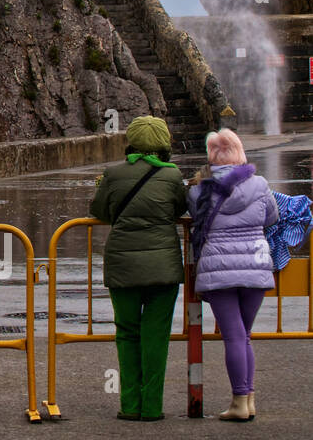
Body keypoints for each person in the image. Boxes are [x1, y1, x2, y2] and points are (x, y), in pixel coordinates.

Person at [90, 115, 187, 421]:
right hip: (163, 269)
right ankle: (152, 407)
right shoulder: (172, 175)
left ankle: (129, 405)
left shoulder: (114, 173)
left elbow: (100, 210)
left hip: (123, 266)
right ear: (163, 143)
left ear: (130, 141)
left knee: (128, 333)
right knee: (156, 337)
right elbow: (180, 208)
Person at [186, 128, 277, 422]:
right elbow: (271, 217)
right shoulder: (261, 185)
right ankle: (248, 400)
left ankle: (239, 402)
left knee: (234, 337)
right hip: (255, 264)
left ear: (211, 157)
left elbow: (194, 216)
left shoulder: (199, 191)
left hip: (219, 270)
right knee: (244, 336)